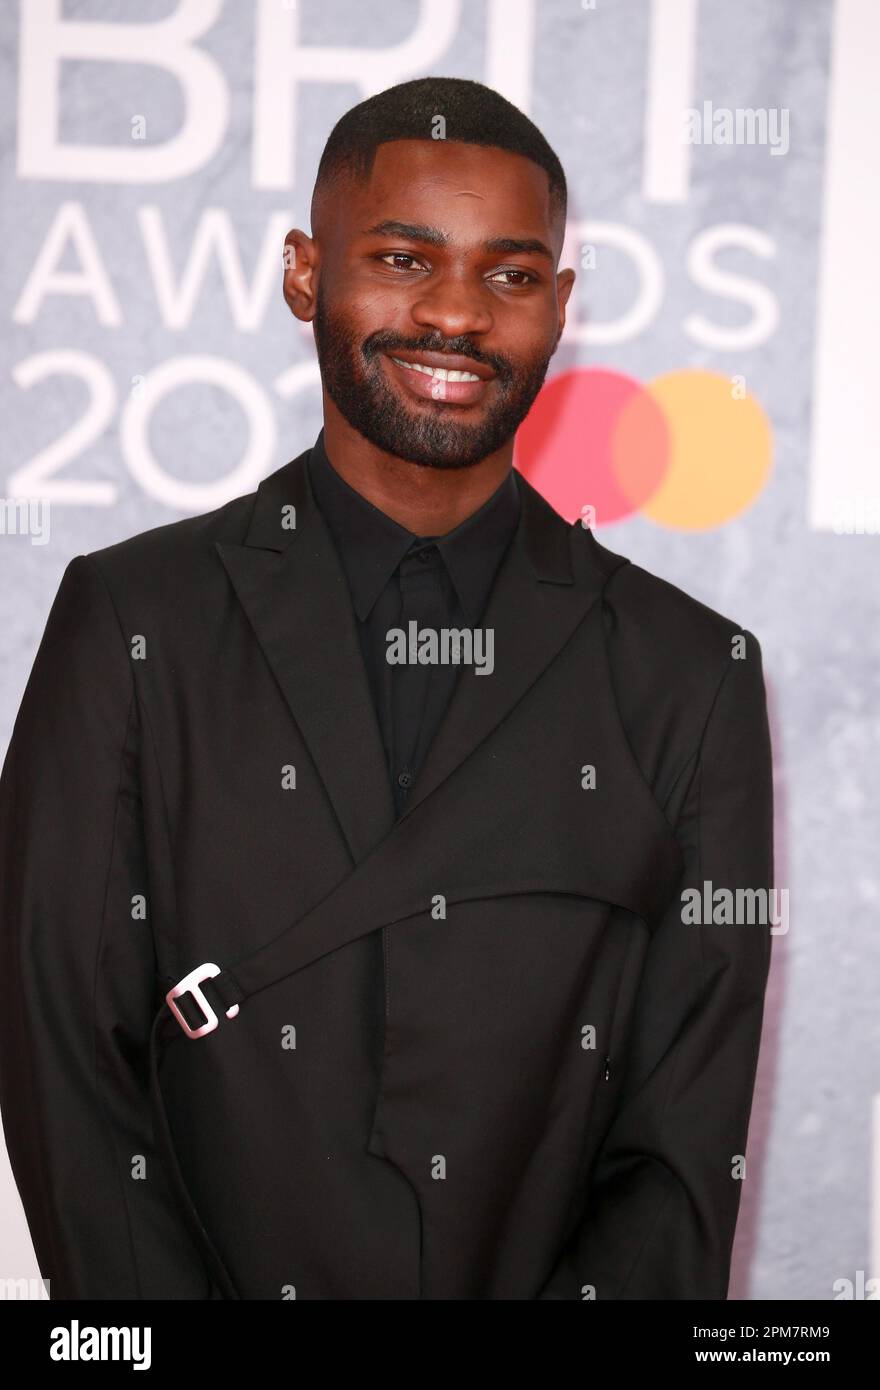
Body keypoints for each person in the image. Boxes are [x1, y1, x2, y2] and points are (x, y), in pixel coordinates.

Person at [0, 76, 774, 1300]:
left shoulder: (690, 674)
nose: (456, 316)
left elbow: (680, 1144)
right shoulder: (133, 620)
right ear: (306, 273)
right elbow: (61, 1062)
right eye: (406, 259)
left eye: (511, 275)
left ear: (561, 307)